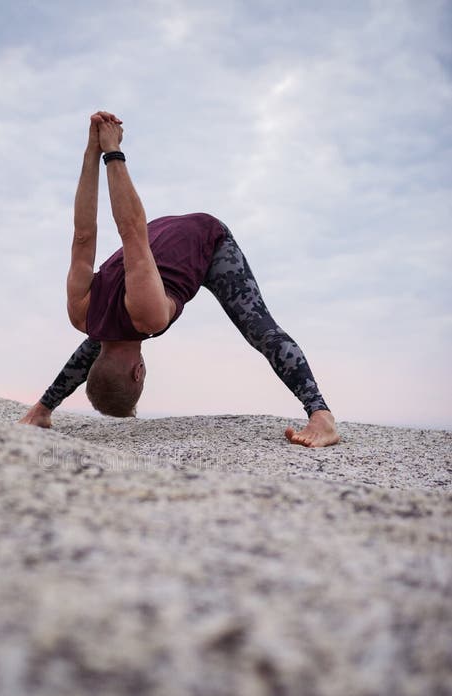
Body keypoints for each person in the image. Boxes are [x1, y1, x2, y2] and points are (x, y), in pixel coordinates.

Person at [19, 111, 340, 448]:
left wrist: (112, 152)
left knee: (260, 329)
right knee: (108, 332)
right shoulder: (82, 314)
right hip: (164, 232)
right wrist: (91, 151)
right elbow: (83, 235)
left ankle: (322, 416)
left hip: (206, 241)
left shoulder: (147, 315)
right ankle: (43, 410)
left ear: (139, 373)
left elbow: (131, 232)